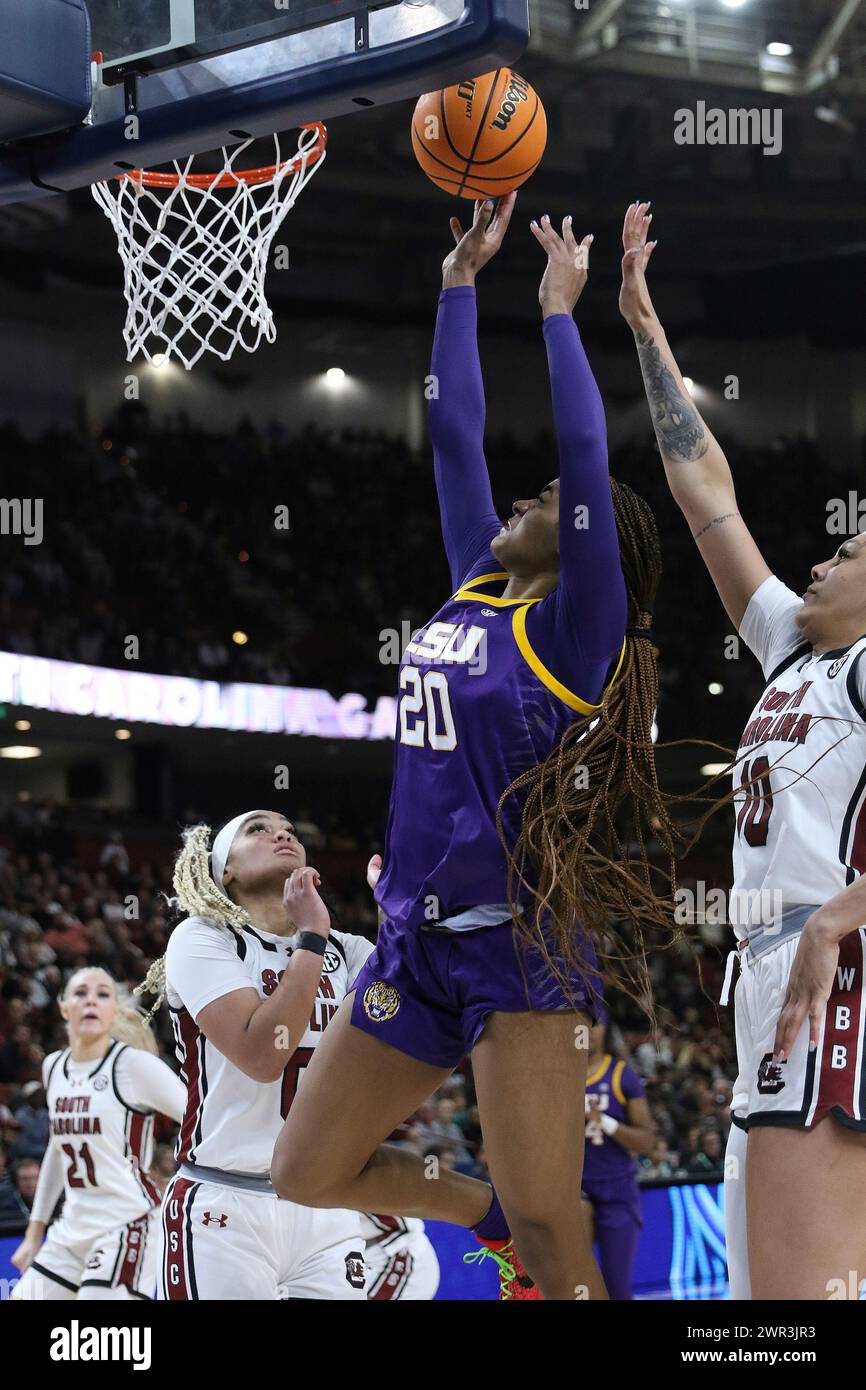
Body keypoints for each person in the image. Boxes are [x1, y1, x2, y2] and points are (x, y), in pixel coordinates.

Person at [272, 194, 683, 1301]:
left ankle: (521, 1222)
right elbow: (451, 432)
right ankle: (483, 1209)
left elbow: (588, 454)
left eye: (547, 499)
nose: (522, 495)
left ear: (593, 540)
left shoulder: (574, 629)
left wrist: (559, 313)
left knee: (558, 1244)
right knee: (305, 1169)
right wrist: (457, 283)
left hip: (521, 953)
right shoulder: (475, 591)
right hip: (412, 941)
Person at [619, 199, 866, 1300]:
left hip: (835, 982)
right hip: (768, 986)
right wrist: (642, 325)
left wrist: (841, 916)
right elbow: (700, 487)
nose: (818, 561)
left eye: (846, 553)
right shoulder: (786, 651)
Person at [139, 811, 375, 1300]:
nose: (282, 833)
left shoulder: (348, 950)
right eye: (258, 829)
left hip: (325, 1201)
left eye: (289, 827)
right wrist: (311, 938)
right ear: (226, 871)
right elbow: (264, 1056)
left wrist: (397, 911)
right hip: (224, 1200)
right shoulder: (203, 937)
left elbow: (413, 1013)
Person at [10, 967, 185, 1300]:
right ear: (64, 1008)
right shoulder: (54, 1067)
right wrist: (34, 1233)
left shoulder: (134, 1066)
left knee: (103, 1344)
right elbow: (59, 1150)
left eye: (103, 994)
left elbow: (199, 1118)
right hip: (71, 1227)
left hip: (128, 1222)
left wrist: (190, 1184)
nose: (91, 999)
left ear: (114, 1012)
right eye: (80, 993)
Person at [582, 1015, 654, 1300]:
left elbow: (646, 1141)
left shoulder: (621, 1075)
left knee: (617, 1286)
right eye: (582, 1023)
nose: (588, 1031)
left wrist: (605, 1122)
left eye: (595, 1023)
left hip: (618, 1188)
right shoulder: (558, 1076)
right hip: (578, 1186)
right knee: (577, 1282)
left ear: (606, 1029)